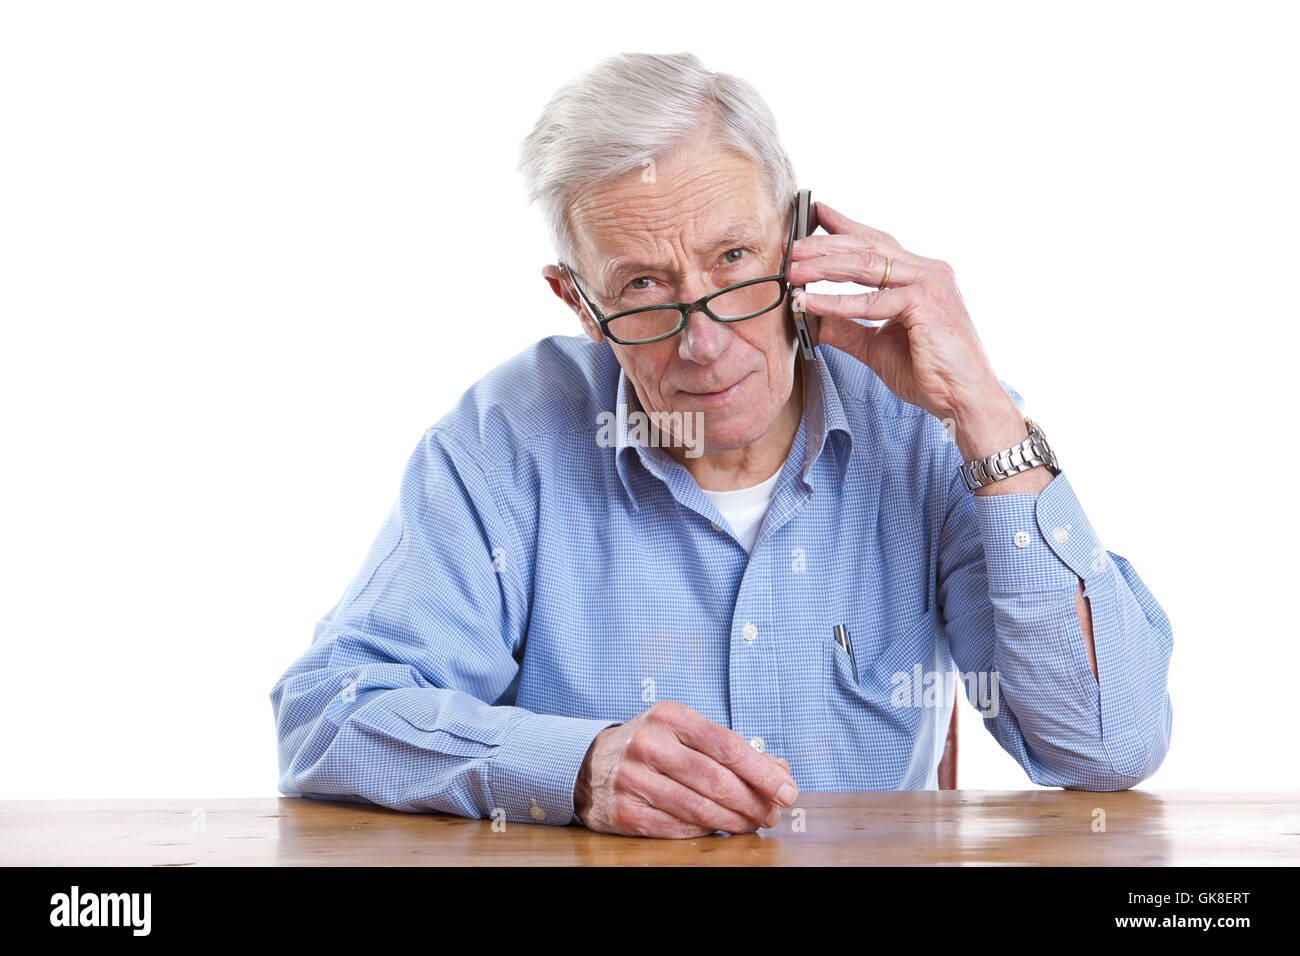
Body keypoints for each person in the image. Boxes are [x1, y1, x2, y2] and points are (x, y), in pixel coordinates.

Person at [269, 52, 1173, 839]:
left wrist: (984, 409)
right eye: (643, 286)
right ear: (578, 302)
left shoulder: (929, 425)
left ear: (797, 238)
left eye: (734, 259)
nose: (703, 342)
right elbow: (331, 714)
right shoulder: (508, 438)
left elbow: (1106, 746)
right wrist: (573, 769)